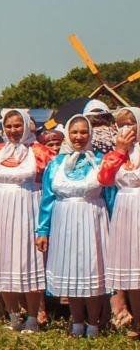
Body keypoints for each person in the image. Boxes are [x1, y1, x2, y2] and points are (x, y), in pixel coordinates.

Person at [37, 115, 129, 337]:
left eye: (83, 132)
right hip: (63, 221)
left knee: (92, 270)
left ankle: (94, 323)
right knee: (71, 271)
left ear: (90, 134)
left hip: (92, 220)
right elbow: (47, 198)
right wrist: (42, 230)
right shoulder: (56, 163)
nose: (79, 137)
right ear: (68, 134)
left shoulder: (100, 161)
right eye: (74, 132)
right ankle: (77, 321)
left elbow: (110, 195)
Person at [0, 109, 51, 331]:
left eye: (18, 126)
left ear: (27, 126)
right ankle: (13, 316)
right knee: (3, 261)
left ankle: (32, 317)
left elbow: (49, 188)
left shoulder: (40, 152)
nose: (13, 131)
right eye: (8, 126)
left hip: (27, 209)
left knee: (28, 261)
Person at [106, 107, 140, 335]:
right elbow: (105, 178)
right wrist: (120, 151)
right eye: (121, 125)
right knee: (130, 267)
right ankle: (135, 318)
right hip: (124, 209)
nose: (127, 128)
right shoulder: (116, 153)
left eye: (131, 123)